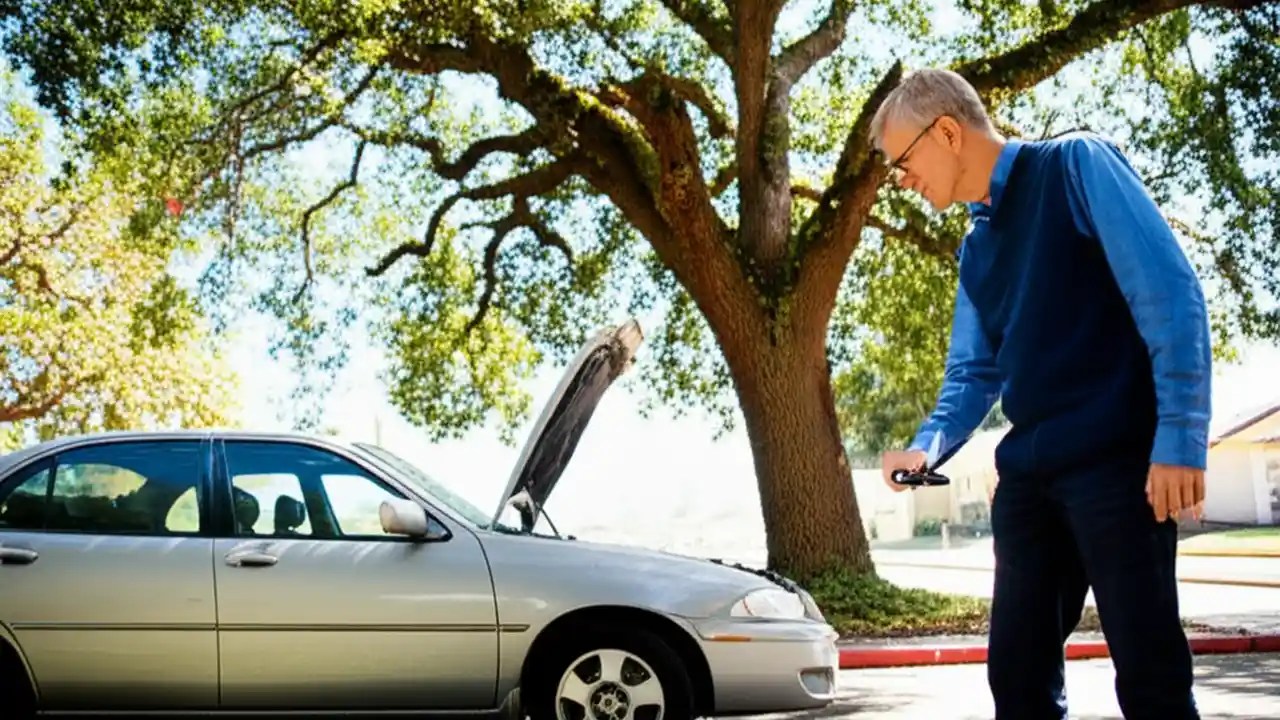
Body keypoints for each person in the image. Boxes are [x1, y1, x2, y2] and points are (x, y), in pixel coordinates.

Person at [871, 68, 1211, 720]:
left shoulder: (1075, 167)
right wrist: (926, 450)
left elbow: (1170, 294)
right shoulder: (976, 249)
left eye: (902, 162)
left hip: (1119, 470)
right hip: (1029, 481)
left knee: (1150, 678)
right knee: (1018, 680)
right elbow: (973, 373)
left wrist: (1181, 436)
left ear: (946, 131)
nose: (901, 182)